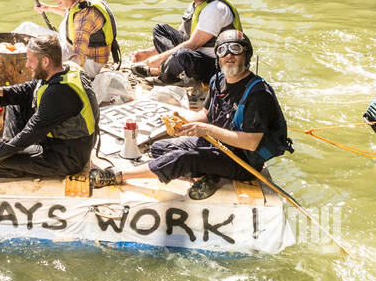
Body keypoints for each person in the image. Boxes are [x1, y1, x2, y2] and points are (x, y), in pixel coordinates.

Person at [112, 30, 292, 199]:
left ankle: (119, 176)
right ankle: (209, 172)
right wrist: (181, 123)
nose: (229, 55)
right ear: (218, 58)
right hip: (218, 144)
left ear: (246, 55)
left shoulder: (258, 93)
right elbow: (206, 114)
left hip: (242, 159)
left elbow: (251, 143)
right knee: (159, 148)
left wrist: (206, 130)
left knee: (182, 159)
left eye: (235, 49)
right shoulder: (218, 80)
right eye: (223, 50)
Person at [0, 34, 99, 179]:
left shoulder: (59, 93)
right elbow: (30, 88)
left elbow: (32, 131)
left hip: (68, 155)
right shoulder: (66, 68)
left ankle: (10, 160)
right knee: (13, 104)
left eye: (30, 61)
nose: (27, 65)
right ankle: (11, 151)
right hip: (57, 135)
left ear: (45, 61)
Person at [130, 0, 241, 86]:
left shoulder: (216, 8)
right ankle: (169, 69)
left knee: (183, 54)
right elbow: (181, 38)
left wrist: (159, 59)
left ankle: (166, 76)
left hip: (218, 66)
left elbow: (192, 44)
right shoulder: (193, 7)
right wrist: (147, 53)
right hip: (196, 56)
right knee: (161, 30)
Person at [33, 0, 120, 77]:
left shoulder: (84, 19)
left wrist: (54, 70)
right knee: (27, 28)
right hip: (70, 46)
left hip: (88, 64)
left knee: (38, 56)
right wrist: (48, 8)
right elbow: (70, 14)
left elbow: (78, 58)